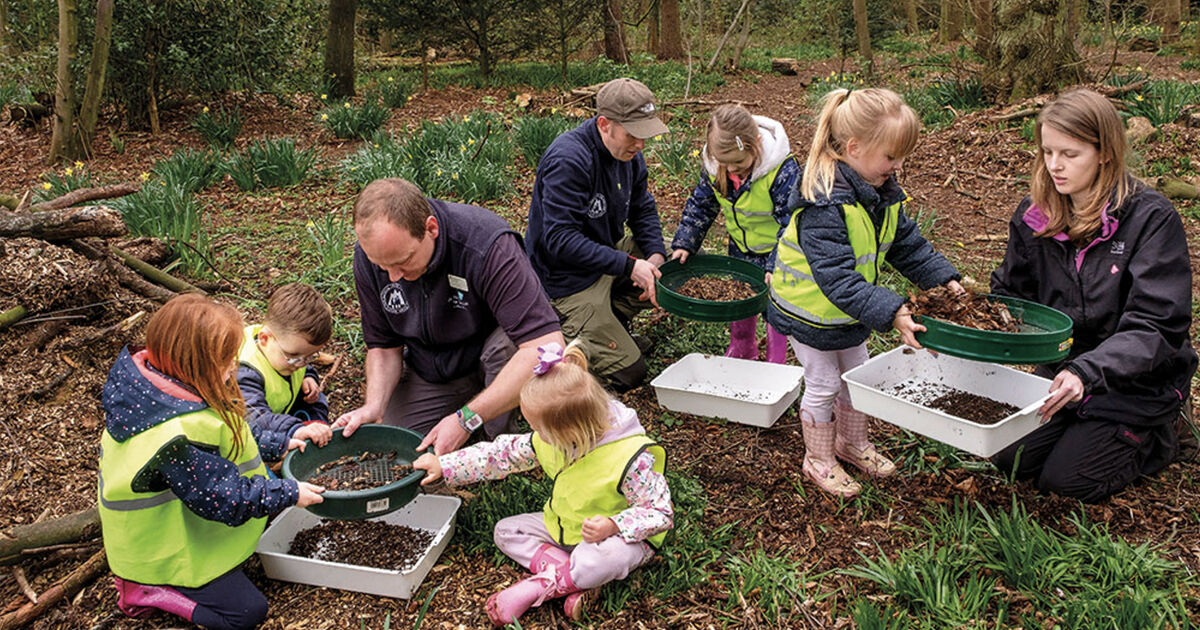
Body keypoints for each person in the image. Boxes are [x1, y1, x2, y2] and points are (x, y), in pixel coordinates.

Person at [989, 89, 1197, 503]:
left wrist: (1089, 372)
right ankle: (1080, 426)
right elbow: (1011, 294)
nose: (1054, 166)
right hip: (1062, 373)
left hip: (1138, 380)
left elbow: (1158, 324)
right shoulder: (1035, 213)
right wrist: (974, 326)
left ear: (1104, 152)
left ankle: (1167, 431)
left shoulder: (1151, 219)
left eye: (1070, 154)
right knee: (1007, 458)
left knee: (1066, 483)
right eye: (1047, 151)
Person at [768, 87, 963, 498]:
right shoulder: (823, 205)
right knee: (822, 384)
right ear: (854, 147)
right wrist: (893, 310)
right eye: (891, 156)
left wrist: (943, 279)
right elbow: (837, 278)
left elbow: (908, 246)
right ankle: (818, 458)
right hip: (811, 315)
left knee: (856, 379)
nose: (898, 165)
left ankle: (851, 443)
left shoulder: (880, 194)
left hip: (849, 314)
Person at [98, 294, 324, 630]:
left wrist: (283, 442)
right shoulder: (173, 435)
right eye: (226, 360)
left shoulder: (178, 391)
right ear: (195, 363)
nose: (235, 365)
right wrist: (288, 494)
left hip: (191, 517)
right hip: (163, 554)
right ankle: (148, 590)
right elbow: (223, 497)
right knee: (246, 613)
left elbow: (231, 437)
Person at [414, 341, 672, 626]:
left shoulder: (631, 458)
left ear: (569, 432)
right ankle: (573, 580)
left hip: (617, 539)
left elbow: (659, 512)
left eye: (539, 428)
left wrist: (613, 525)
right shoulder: (562, 439)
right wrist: (445, 465)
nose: (534, 434)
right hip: (567, 527)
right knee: (507, 531)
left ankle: (540, 587)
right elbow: (501, 455)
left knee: (600, 559)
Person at [334, 178, 563, 454]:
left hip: (492, 356)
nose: (393, 276)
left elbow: (545, 345)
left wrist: (466, 419)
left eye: (402, 261)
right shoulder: (374, 256)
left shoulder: (487, 244)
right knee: (398, 447)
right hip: (433, 368)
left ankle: (497, 441)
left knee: (507, 347)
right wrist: (374, 406)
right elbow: (383, 346)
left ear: (431, 228)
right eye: (382, 266)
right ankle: (462, 411)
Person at [524, 77, 670, 391]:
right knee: (630, 372)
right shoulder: (569, 160)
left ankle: (610, 319)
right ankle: (564, 329)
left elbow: (642, 208)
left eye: (645, 135)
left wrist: (655, 258)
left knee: (673, 264)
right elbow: (559, 240)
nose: (641, 144)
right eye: (633, 134)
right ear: (604, 124)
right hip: (567, 281)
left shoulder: (627, 155)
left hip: (604, 256)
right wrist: (631, 266)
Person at [670, 104, 800, 363]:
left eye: (738, 162)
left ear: (757, 144)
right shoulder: (715, 169)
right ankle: (742, 347)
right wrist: (686, 242)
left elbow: (792, 222)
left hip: (777, 251)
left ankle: (777, 359)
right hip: (740, 248)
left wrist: (777, 265)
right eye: (724, 164)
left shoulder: (781, 172)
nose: (731, 170)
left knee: (776, 306)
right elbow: (701, 205)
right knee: (740, 295)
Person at [237, 283, 334, 454]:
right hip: (251, 431)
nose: (301, 364)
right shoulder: (246, 372)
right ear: (265, 338)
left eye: (311, 356)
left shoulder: (286, 353)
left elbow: (302, 363)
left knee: (316, 399)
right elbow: (256, 417)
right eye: (294, 356)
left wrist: (309, 376)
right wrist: (295, 429)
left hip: (282, 409)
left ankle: (315, 427)